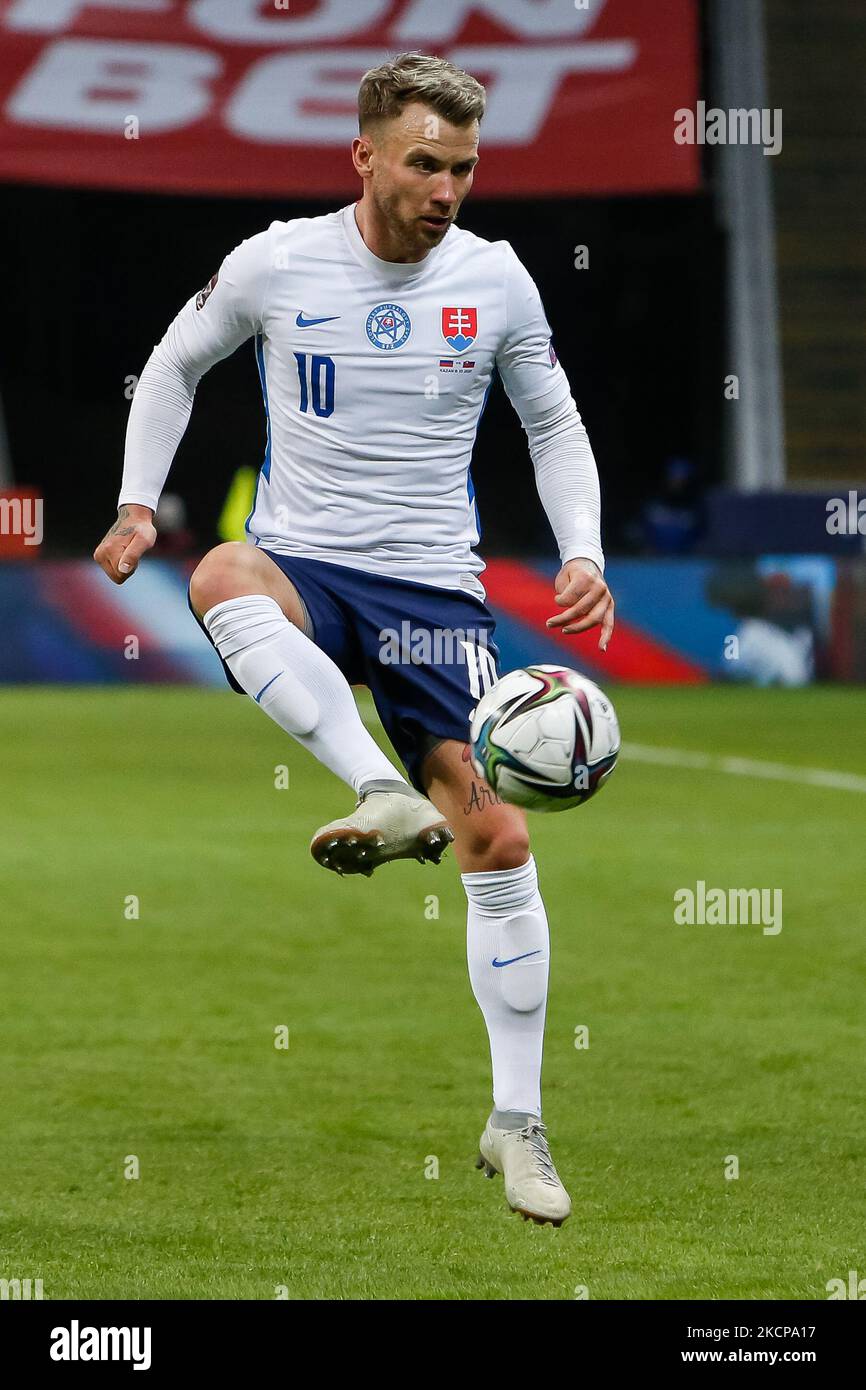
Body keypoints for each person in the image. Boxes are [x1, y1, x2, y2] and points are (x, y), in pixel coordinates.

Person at [93, 52, 614, 1227]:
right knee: (222, 572)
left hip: (433, 594)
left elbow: (553, 420)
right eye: (424, 163)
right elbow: (175, 363)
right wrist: (138, 501)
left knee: (498, 838)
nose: (445, 188)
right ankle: (380, 791)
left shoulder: (498, 279)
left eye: (464, 168)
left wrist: (579, 548)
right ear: (364, 156)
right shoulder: (277, 261)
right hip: (307, 563)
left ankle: (514, 1123)